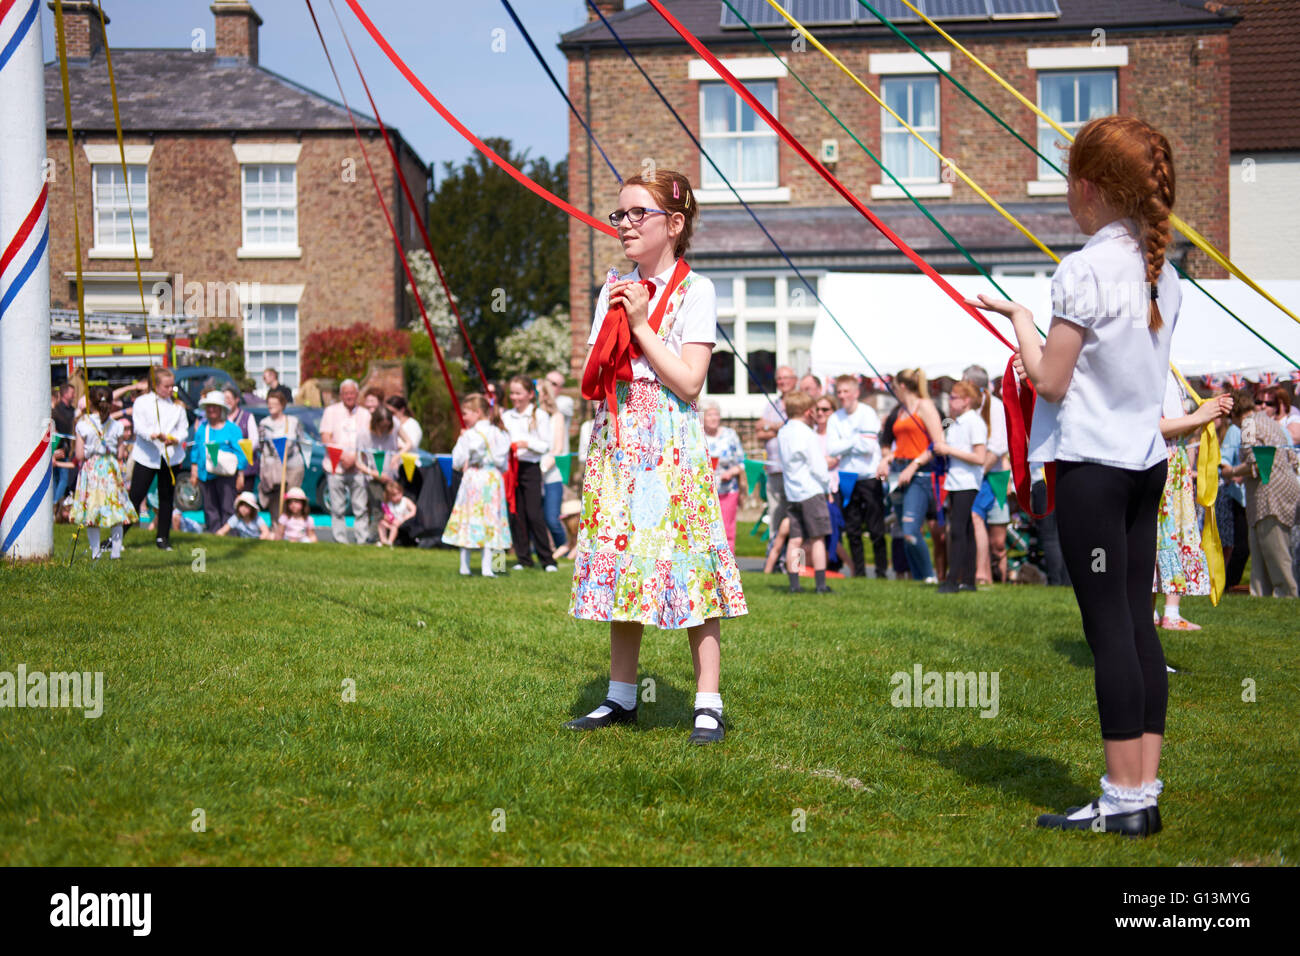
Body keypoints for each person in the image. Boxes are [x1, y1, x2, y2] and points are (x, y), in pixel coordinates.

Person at [968, 115, 1190, 836]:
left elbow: (1050, 381)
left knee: (1110, 632)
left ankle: (1123, 801)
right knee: (1135, 624)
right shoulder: (1167, 273)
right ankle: (1141, 789)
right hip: (1145, 467)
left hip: (1094, 468)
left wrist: (1023, 319)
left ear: (1088, 189)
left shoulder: (1084, 270)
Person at [566, 168, 746, 745]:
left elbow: (690, 382)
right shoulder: (613, 287)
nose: (623, 225)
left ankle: (708, 702)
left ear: (674, 223)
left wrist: (642, 323)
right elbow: (595, 371)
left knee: (689, 564)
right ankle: (621, 698)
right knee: (623, 563)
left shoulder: (697, 290)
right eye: (620, 214)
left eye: (636, 213)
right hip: (619, 443)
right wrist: (621, 318)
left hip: (670, 445)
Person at [1153, 373, 1230, 629]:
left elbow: (1178, 426)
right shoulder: (1147, 366)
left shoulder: (1173, 373)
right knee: (1158, 536)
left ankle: (1168, 611)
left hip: (1174, 462)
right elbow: (1152, 425)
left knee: (1173, 534)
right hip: (1156, 460)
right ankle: (1152, 611)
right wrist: (1199, 416)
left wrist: (1210, 413)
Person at [1223, 393, 1300, 597]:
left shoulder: (1248, 426)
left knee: (1278, 553)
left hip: (1270, 496)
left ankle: (1288, 594)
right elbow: (1292, 457)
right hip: (1285, 489)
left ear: (1234, 413)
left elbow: (1255, 464)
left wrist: (1230, 472)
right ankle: (1260, 594)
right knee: (1259, 552)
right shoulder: (1270, 422)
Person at [875, 369, 944, 584]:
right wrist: (887, 460)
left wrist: (913, 465)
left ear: (902, 386)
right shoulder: (900, 411)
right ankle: (918, 579)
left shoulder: (925, 406)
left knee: (911, 529)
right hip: (898, 469)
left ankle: (929, 576)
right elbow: (892, 443)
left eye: (894, 387)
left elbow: (937, 443)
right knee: (903, 532)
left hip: (919, 473)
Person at [442, 393, 512, 574]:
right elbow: (503, 462)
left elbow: (457, 462)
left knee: (469, 517)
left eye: (466, 413)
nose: (463, 418)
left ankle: (464, 567)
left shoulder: (470, 435)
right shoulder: (500, 432)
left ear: (478, 412)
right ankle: (495, 567)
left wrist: (462, 439)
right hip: (492, 478)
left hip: (473, 478)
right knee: (494, 518)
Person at [828, 373, 887, 578]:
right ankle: (859, 573)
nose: (842, 395)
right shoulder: (835, 418)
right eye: (839, 392)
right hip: (846, 477)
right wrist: (855, 439)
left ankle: (881, 572)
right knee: (852, 529)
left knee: (875, 528)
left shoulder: (867, 413)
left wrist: (847, 443)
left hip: (869, 476)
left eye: (846, 391)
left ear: (856, 393)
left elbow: (868, 446)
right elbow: (832, 448)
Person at [70, 386, 138, 559]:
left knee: (93, 509)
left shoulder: (83, 425)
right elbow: (121, 454)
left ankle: (95, 552)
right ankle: (115, 552)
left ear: (91, 403)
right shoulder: (117, 426)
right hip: (110, 470)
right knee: (115, 509)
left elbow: (78, 455)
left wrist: (91, 450)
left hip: (91, 470)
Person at [778, 391, 833, 593]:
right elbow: (817, 465)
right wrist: (828, 484)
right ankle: (820, 584)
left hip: (792, 493)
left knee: (795, 539)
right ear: (808, 411)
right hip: (811, 491)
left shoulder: (783, 432)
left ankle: (795, 584)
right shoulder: (807, 434)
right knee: (818, 538)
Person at [934, 381, 987, 593]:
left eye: (954, 397)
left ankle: (952, 580)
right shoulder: (954, 421)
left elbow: (980, 457)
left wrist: (948, 450)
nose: (950, 401)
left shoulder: (974, 422)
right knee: (965, 530)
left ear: (966, 401)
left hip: (967, 482)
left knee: (957, 530)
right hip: (955, 481)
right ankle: (968, 580)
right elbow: (940, 430)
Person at [128, 368, 189, 551]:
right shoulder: (142, 402)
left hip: (170, 456)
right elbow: (138, 427)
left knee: (166, 498)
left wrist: (175, 439)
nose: (171, 390)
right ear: (155, 385)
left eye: (172, 386)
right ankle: (117, 536)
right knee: (136, 496)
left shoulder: (178, 406)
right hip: (147, 456)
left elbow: (183, 429)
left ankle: (163, 538)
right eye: (166, 386)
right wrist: (152, 435)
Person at [962, 365, 1012, 584]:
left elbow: (998, 445)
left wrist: (978, 471)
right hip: (975, 475)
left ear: (972, 384)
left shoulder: (996, 407)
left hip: (994, 477)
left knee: (998, 539)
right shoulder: (966, 408)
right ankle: (982, 575)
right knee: (974, 520)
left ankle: (996, 578)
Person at [501, 376, 557, 571]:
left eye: (518, 393)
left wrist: (527, 443)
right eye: (512, 393)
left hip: (530, 468)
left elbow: (545, 445)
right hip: (511, 469)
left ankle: (547, 560)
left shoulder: (539, 415)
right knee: (517, 514)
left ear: (529, 394)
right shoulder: (507, 416)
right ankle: (523, 558)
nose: (514, 397)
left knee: (534, 514)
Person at [754, 366, 798, 568]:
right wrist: (778, 427)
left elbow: (793, 429)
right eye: (778, 378)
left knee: (797, 519)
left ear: (794, 379)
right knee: (775, 517)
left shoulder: (799, 402)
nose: (782, 381)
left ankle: (797, 564)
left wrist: (770, 426)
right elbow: (759, 431)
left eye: (786, 378)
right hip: (774, 470)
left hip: (795, 471)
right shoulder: (772, 404)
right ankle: (773, 562)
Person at [319, 379, 372, 545]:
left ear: (357, 395)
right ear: (341, 395)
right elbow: (326, 437)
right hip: (335, 467)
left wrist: (354, 458)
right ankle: (340, 540)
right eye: (346, 393)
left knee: (361, 507)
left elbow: (370, 440)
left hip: (359, 468)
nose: (349, 396)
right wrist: (343, 457)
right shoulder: (330, 411)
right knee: (337, 507)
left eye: (352, 393)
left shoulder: (365, 414)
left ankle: (362, 540)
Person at [190, 391, 249, 533]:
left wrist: (241, 474)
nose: (211, 410)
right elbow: (196, 450)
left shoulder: (232, 429)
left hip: (227, 475)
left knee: (227, 506)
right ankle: (213, 533)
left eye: (215, 407)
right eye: (209, 407)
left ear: (221, 409)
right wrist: (194, 471)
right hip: (206, 473)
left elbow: (240, 453)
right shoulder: (202, 429)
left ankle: (228, 534)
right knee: (210, 507)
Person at [1216, 390, 1251, 588]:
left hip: (1247, 494)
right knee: (1239, 546)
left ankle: (1228, 584)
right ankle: (1227, 585)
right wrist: (1235, 472)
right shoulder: (1237, 430)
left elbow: (1251, 457)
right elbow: (1225, 463)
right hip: (1237, 496)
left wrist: (1239, 471)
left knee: (1242, 546)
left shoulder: (1248, 425)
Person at [358, 405, 408, 544]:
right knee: (378, 508)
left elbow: (409, 443)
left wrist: (398, 456)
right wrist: (374, 473)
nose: (385, 430)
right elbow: (358, 462)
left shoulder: (395, 425)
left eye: (387, 426)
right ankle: (374, 538)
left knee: (393, 510)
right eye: (382, 426)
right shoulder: (364, 434)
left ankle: (390, 538)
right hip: (374, 478)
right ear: (375, 423)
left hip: (391, 477)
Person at [700, 399, 744, 553]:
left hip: (727, 489)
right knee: (705, 528)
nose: (713, 418)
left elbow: (741, 462)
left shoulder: (730, 435)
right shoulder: (698, 435)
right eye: (709, 415)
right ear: (702, 417)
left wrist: (732, 472)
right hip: (704, 490)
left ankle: (728, 563)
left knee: (727, 528)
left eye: (716, 414)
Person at [257, 386, 306, 522]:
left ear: (282, 405)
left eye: (274, 404)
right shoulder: (264, 423)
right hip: (273, 467)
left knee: (292, 498)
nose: (270, 406)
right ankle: (276, 526)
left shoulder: (293, 422)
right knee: (275, 498)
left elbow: (302, 441)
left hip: (292, 465)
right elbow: (260, 446)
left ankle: (292, 527)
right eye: (269, 404)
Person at [538, 379, 569, 559]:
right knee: (536, 518)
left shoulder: (555, 416)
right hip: (533, 474)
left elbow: (557, 448)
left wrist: (543, 466)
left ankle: (563, 546)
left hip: (550, 475)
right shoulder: (530, 415)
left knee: (551, 517)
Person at [223, 384, 259, 497]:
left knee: (244, 501)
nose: (226, 401)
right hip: (226, 467)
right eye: (224, 399)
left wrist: (239, 452)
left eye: (229, 398)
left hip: (246, 467)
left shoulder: (247, 416)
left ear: (237, 399)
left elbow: (254, 440)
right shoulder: (221, 418)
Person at [51, 383, 78, 506]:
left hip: (67, 449)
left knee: (61, 479)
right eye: (72, 393)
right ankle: (55, 504)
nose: (74, 395)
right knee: (61, 479)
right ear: (65, 394)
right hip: (58, 449)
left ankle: (54, 505)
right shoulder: (56, 411)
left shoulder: (72, 411)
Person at [377, 477, 418, 548]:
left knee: (394, 526)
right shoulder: (389, 504)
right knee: (381, 523)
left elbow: (414, 510)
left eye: (398, 494)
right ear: (389, 496)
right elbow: (387, 515)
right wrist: (386, 517)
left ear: (401, 492)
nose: (397, 497)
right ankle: (383, 540)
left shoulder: (405, 501)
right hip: (392, 522)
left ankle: (390, 541)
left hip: (403, 522)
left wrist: (403, 518)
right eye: (394, 495)